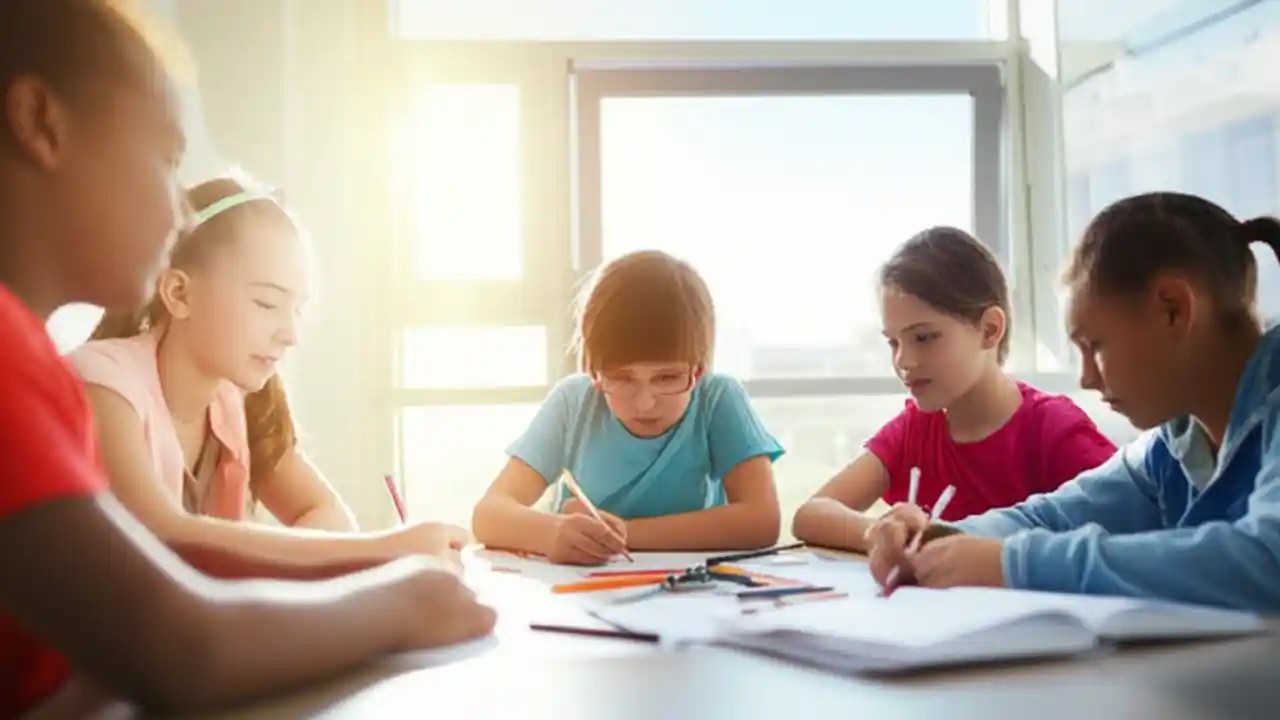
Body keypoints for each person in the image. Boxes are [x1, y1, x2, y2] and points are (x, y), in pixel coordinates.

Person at [0, 2, 493, 715]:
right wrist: (401, 599)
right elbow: (181, 647)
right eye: (166, 158)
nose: (177, 209)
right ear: (43, 122)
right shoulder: (34, 368)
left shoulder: (38, 365)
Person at [866, 193, 1280, 611]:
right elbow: (1051, 516)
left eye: (1094, 345)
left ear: (1172, 310)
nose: (1086, 377)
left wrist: (1014, 564)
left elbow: (1268, 559)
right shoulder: (1173, 447)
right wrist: (935, 538)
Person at [72, 175, 467, 571]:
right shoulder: (102, 388)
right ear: (179, 293)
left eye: (297, 309)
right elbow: (164, 536)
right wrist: (383, 548)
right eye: (266, 303)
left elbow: (324, 510)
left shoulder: (234, 399)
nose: (290, 334)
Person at [793, 226, 1114, 551]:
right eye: (893, 342)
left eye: (924, 337)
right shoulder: (913, 430)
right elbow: (810, 515)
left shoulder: (1054, 431)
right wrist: (888, 535)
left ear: (989, 330)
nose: (904, 360)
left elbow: (1133, 532)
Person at [473, 250, 784, 564]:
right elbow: (488, 515)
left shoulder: (718, 398)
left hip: (693, 594)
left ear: (698, 370)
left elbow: (762, 521)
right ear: (594, 373)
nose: (645, 402)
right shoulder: (573, 402)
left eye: (667, 378)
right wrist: (550, 532)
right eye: (621, 378)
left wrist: (625, 533)